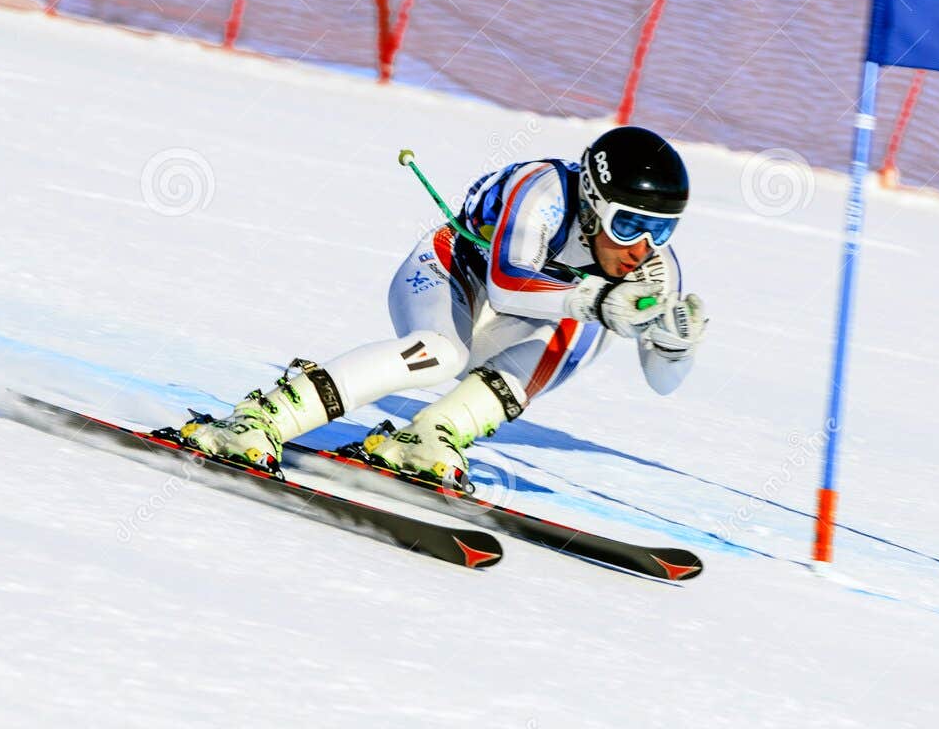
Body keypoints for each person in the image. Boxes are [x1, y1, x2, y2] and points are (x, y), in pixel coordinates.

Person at [179, 126, 708, 488]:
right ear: (592, 205)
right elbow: (506, 284)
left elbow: (662, 382)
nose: (642, 248)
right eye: (629, 225)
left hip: (519, 317)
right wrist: (599, 299)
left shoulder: (655, 267)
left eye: (662, 230)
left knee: (590, 329)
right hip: (450, 275)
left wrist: (675, 346)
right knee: (439, 354)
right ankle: (259, 419)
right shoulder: (544, 191)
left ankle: (433, 433)